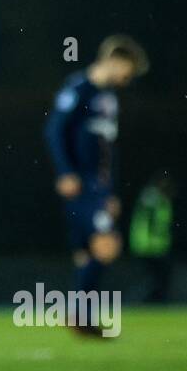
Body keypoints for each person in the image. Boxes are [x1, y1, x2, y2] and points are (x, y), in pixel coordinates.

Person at [44, 34, 149, 334]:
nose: (127, 79)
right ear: (115, 61)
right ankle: (79, 314)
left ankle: (82, 318)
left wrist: (111, 192)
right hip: (81, 186)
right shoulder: (79, 88)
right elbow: (53, 130)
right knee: (107, 245)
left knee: (87, 253)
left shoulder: (109, 97)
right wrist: (65, 172)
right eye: (126, 71)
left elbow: (109, 149)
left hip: (98, 189)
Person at [129, 174, 174, 303]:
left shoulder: (162, 200)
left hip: (157, 246)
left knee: (158, 278)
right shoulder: (152, 198)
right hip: (148, 246)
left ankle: (155, 302)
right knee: (152, 279)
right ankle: (140, 302)